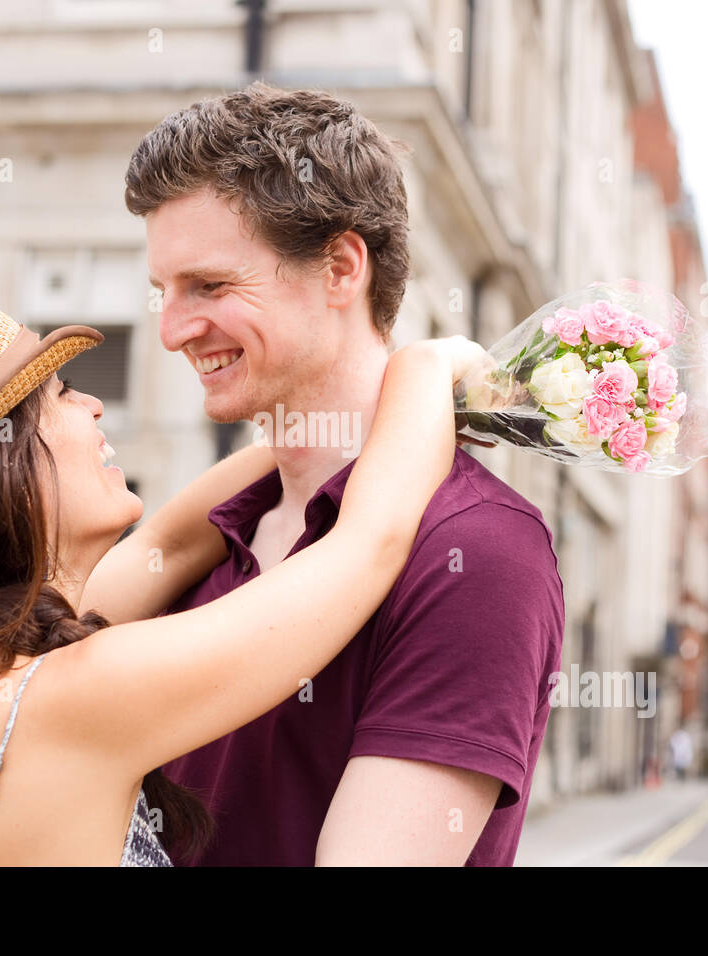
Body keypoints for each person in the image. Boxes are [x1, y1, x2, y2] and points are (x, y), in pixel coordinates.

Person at [0, 274, 488, 865]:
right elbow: (366, 546)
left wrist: (338, 408)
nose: (95, 406)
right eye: (61, 396)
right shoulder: (76, 695)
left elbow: (172, 543)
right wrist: (424, 368)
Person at [122, 82, 566, 866]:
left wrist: (422, 382)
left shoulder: (478, 551)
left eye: (210, 286)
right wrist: (423, 379)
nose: (170, 332)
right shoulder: (201, 541)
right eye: (163, 292)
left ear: (339, 268)